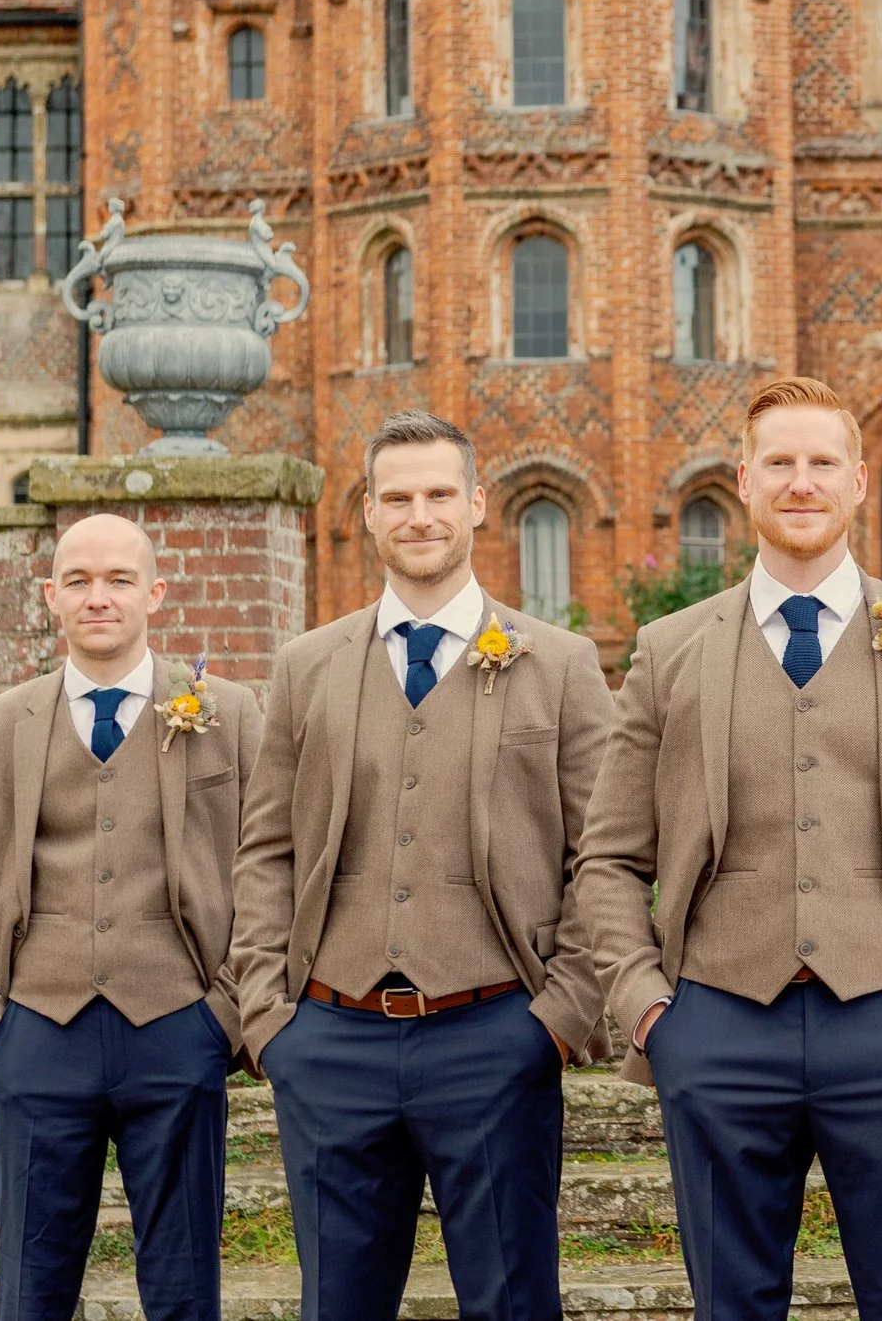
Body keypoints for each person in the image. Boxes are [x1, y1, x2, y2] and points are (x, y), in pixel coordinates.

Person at [577, 376, 882, 1321]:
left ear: (860, 480)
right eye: (780, 464)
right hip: (716, 1025)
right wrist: (647, 1010)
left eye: (822, 462)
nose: (803, 482)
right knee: (732, 1306)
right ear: (746, 482)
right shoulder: (671, 650)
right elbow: (608, 857)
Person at [229, 409, 614, 1321]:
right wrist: (270, 1020)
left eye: (440, 493)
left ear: (477, 503)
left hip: (497, 1034)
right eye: (396, 497)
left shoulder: (559, 664)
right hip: (330, 1037)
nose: (420, 514)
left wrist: (557, 1017)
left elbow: (603, 857)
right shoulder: (307, 666)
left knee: (514, 1301)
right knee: (339, 1305)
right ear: (367, 511)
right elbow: (266, 850)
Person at [0, 513, 261, 1321]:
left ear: (155, 590)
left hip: (180, 1030)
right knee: (31, 1294)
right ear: (51, 597)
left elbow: (267, 876)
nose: (98, 596)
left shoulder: (231, 711)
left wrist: (223, 1014)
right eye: (77, 580)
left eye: (118, 579)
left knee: (185, 1292)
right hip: (36, 1035)